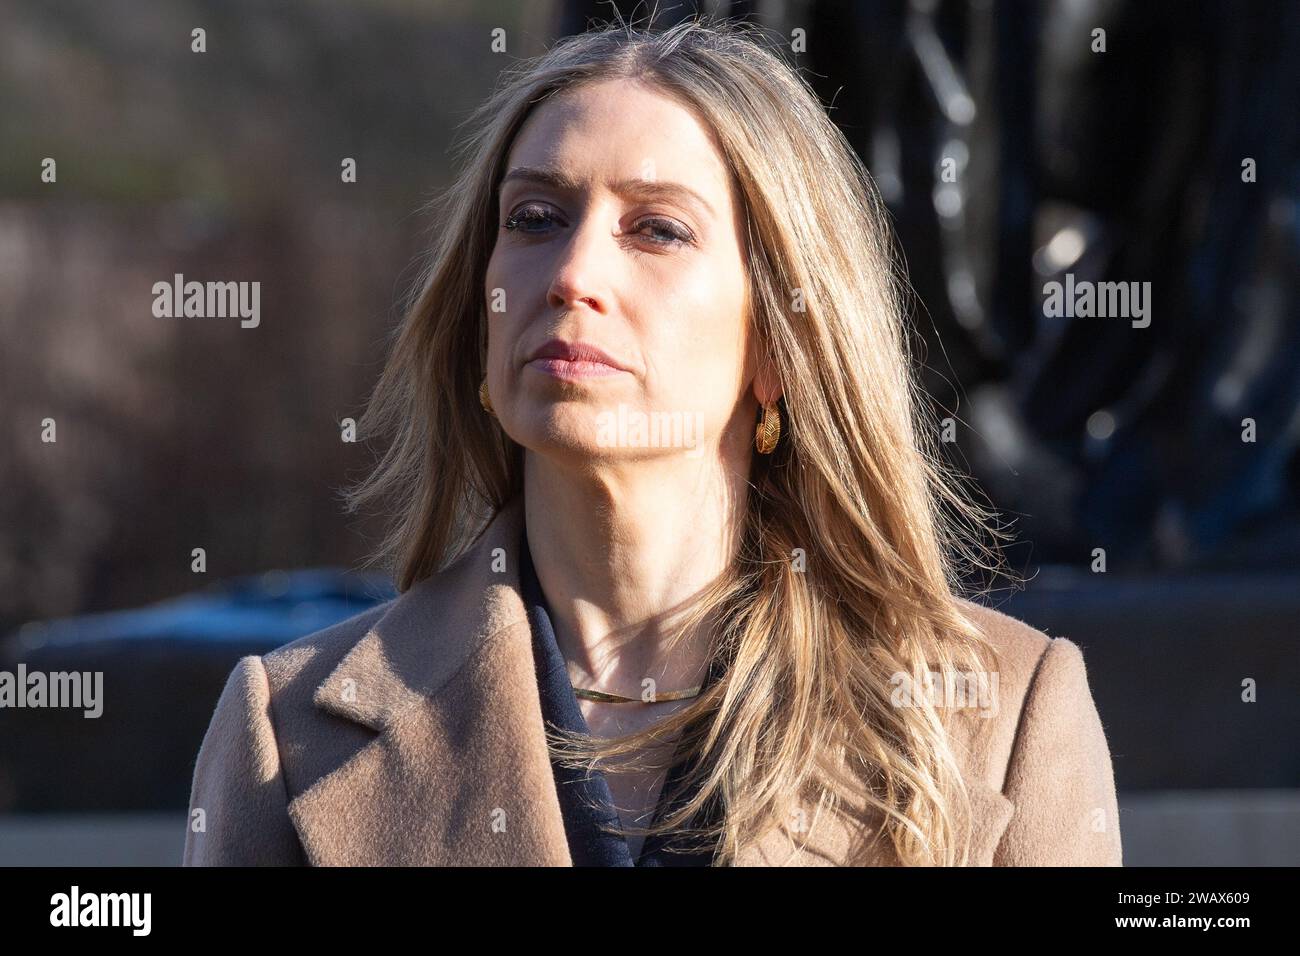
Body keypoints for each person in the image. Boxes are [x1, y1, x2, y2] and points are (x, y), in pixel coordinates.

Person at [183, 17, 1122, 867]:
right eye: (536, 219)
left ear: (780, 339)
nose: (575, 272)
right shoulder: (291, 732)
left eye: (658, 229)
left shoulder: (1002, 715)